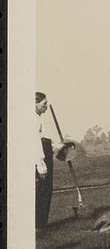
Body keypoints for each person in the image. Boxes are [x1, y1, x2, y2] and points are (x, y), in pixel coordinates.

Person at [36, 91, 54, 230]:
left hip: (47, 156)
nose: (46, 106)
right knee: (42, 191)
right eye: (44, 104)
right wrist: (41, 166)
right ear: (35, 104)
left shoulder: (40, 119)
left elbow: (46, 141)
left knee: (46, 190)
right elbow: (36, 144)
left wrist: (57, 147)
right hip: (41, 161)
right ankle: (39, 225)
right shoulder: (33, 120)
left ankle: (42, 224)